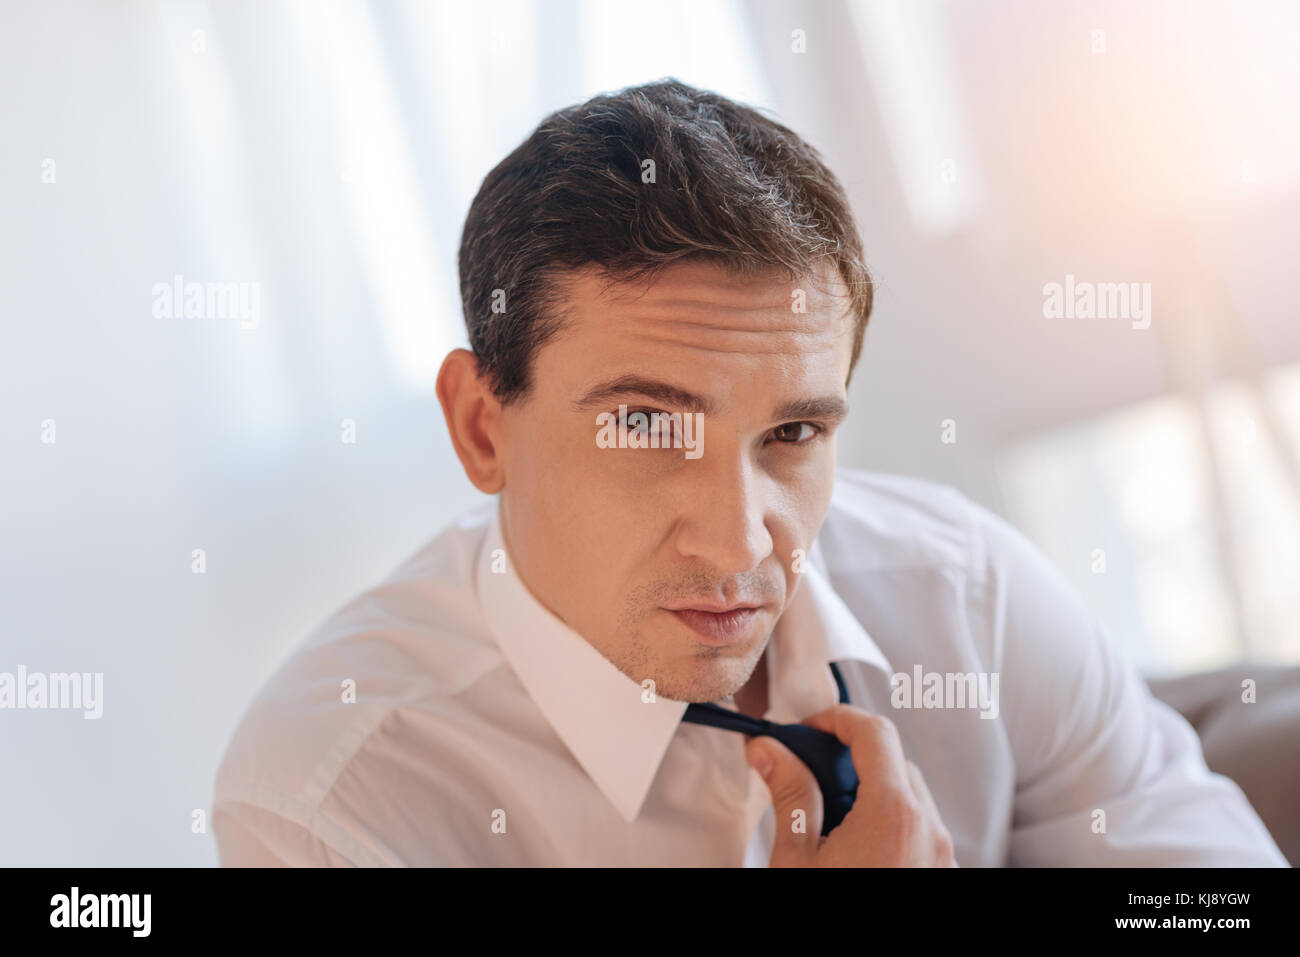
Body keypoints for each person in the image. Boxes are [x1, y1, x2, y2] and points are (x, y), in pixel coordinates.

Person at [212, 79, 1286, 867]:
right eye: (645, 428)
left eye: (792, 436)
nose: (738, 544)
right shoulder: (332, 801)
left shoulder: (967, 595)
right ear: (484, 427)